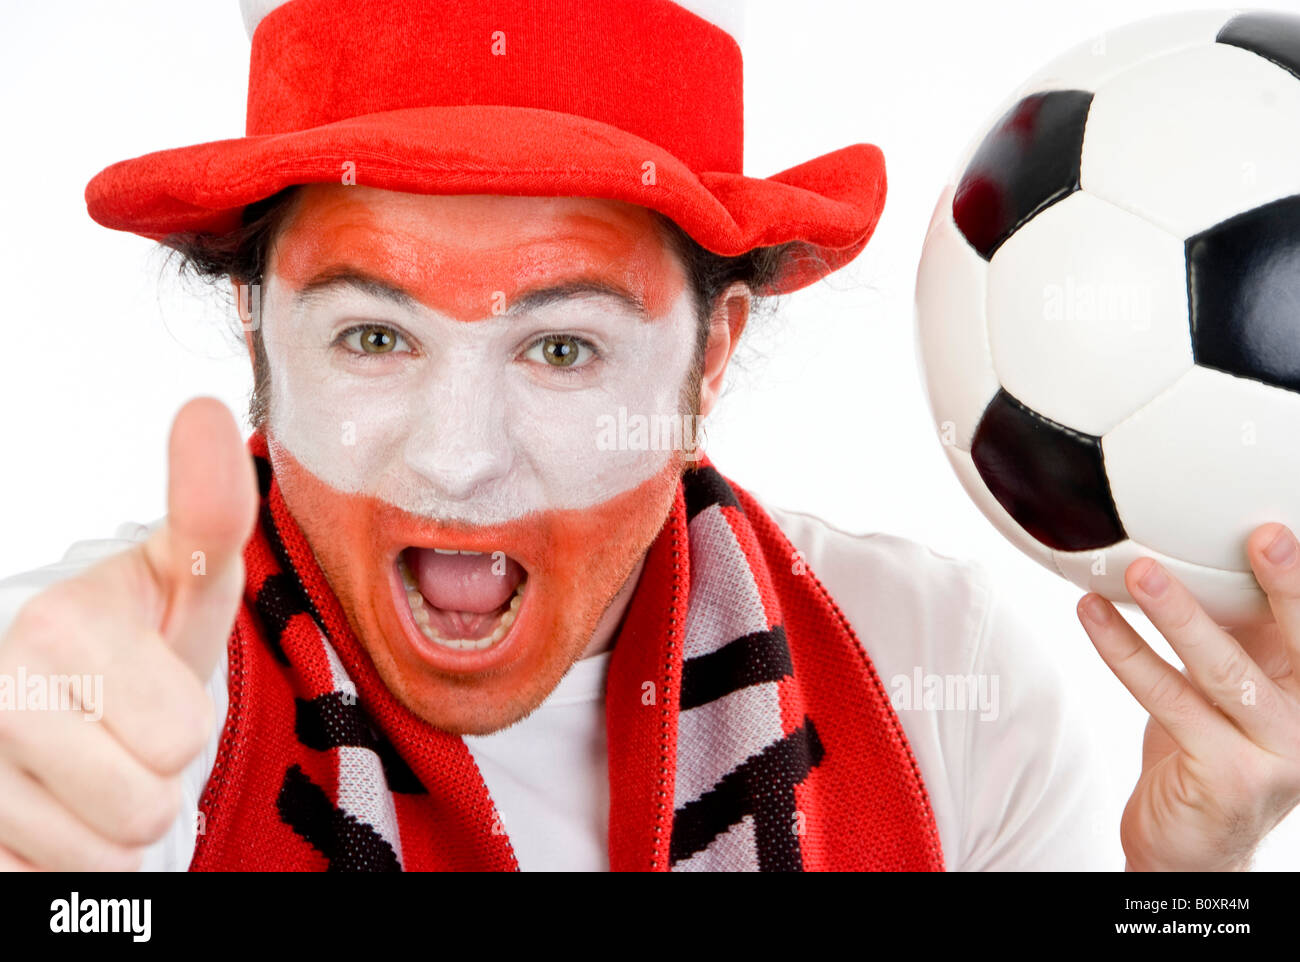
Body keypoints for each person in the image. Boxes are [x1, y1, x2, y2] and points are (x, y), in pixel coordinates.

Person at [0, 0, 1295, 872]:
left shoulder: (941, 683)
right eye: (373, 338)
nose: (457, 461)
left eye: (563, 349)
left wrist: (1186, 882)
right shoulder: (89, 699)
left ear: (711, 351)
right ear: (251, 320)